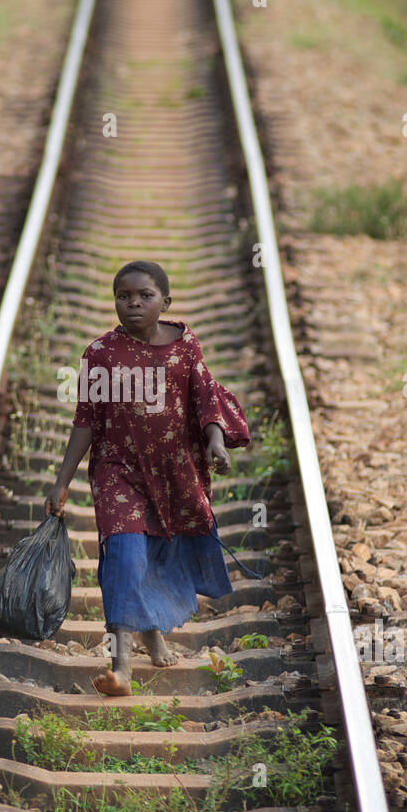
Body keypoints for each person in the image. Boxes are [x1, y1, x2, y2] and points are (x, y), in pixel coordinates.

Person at [44, 260, 250, 697]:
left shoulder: (184, 348)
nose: (133, 303)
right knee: (123, 558)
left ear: (165, 302)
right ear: (114, 300)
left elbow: (207, 400)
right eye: (124, 296)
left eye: (145, 296)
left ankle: (153, 631)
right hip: (118, 472)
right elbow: (85, 421)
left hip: (175, 473)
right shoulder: (101, 354)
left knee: (157, 552)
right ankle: (120, 666)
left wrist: (215, 442)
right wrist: (63, 480)